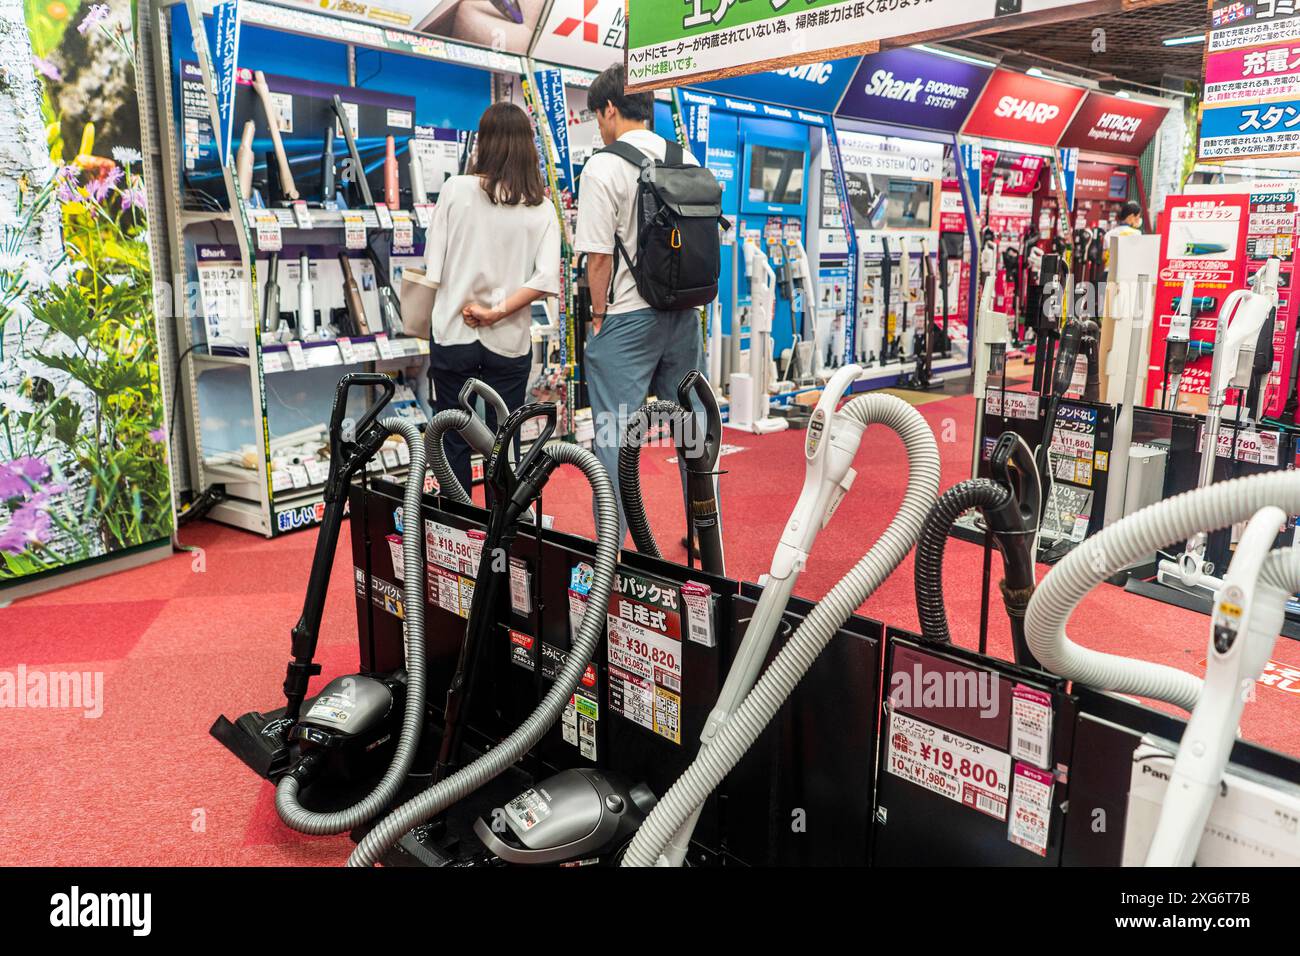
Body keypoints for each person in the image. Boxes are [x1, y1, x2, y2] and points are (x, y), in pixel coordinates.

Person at [574, 63, 705, 544]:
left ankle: (614, 546)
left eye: (597, 116)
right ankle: (703, 532)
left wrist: (597, 318)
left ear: (610, 108)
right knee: (692, 426)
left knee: (613, 435)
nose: (599, 127)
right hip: (684, 314)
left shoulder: (603, 166)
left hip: (628, 319)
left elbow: (598, 259)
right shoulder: (684, 157)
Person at [422, 102, 560, 494]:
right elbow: (546, 278)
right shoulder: (542, 207)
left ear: (483, 143)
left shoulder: (455, 190)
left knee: (452, 438)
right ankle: (502, 537)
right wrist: (495, 312)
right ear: (527, 148)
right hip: (510, 341)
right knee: (506, 440)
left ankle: (460, 531)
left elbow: (433, 268)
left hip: (453, 332)